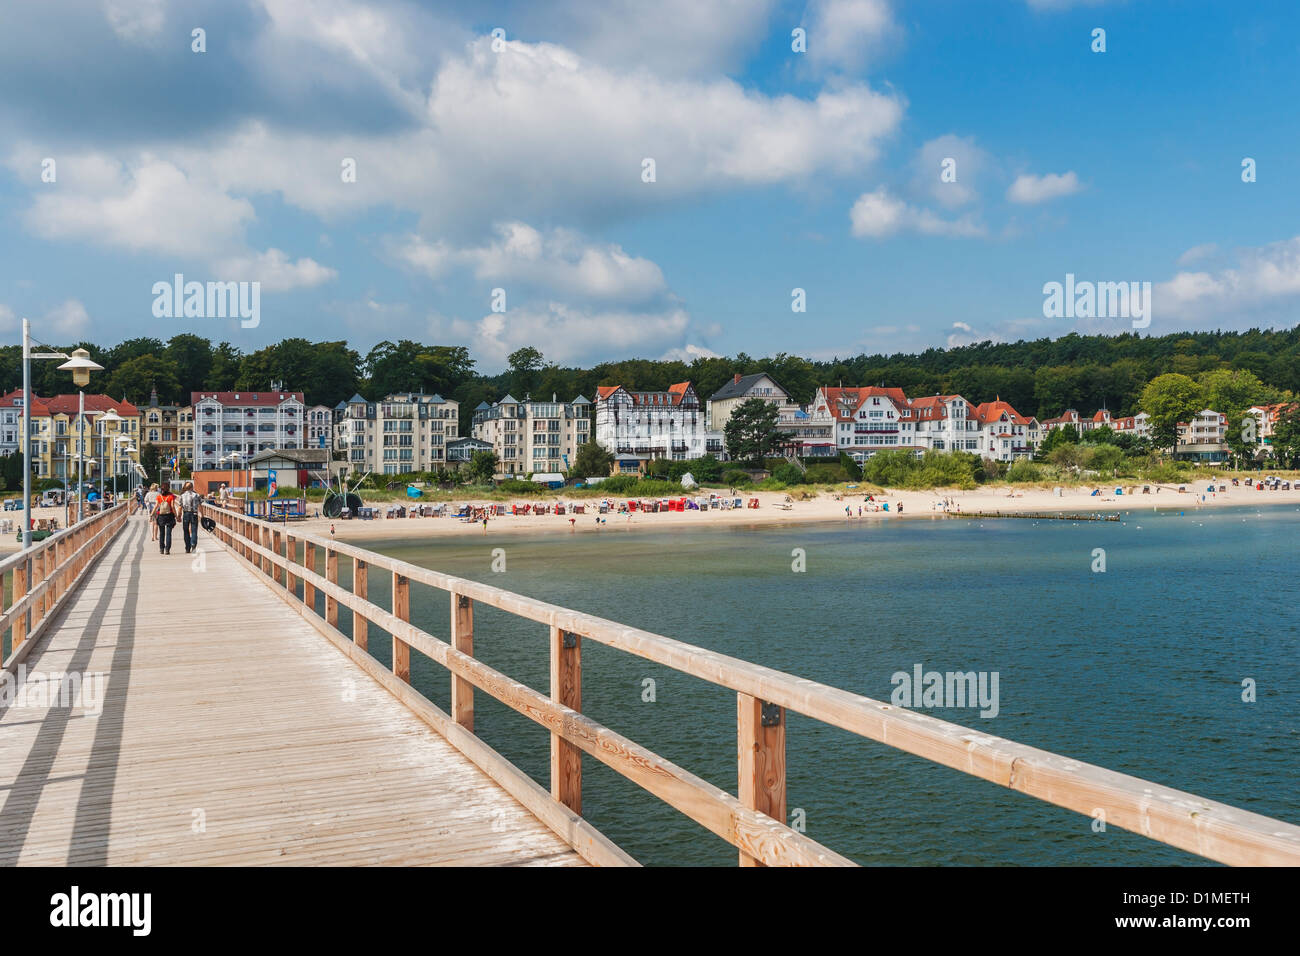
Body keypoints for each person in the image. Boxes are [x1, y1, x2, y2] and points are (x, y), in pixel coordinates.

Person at [154, 482, 178, 554]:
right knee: (168, 533)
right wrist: (176, 516)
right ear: (168, 489)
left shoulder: (159, 497)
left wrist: (152, 514)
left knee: (161, 533)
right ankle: (167, 549)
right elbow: (173, 506)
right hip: (169, 516)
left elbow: (156, 506)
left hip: (161, 516)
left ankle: (161, 548)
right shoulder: (171, 496)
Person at [179, 481, 201, 554]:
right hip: (194, 513)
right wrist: (203, 515)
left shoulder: (182, 495)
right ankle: (193, 544)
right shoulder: (197, 495)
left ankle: (187, 548)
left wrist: (179, 516)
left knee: (186, 531)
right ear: (192, 487)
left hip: (186, 514)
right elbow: (200, 505)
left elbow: (180, 506)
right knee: (194, 530)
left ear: (185, 488)